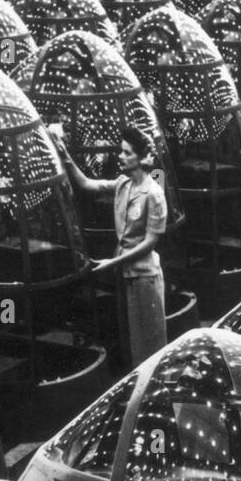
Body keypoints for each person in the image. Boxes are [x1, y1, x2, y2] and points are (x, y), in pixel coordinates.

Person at [61, 126, 170, 367]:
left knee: (149, 345)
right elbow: (86, 185)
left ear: (141, 158)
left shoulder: (154, 194)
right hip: (126, 275)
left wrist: (113, 262)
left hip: (144, 278)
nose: (120, 156)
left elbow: (150, 243)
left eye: (126, 152)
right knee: (131, 342)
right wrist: (65, 157)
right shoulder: (123, 184)